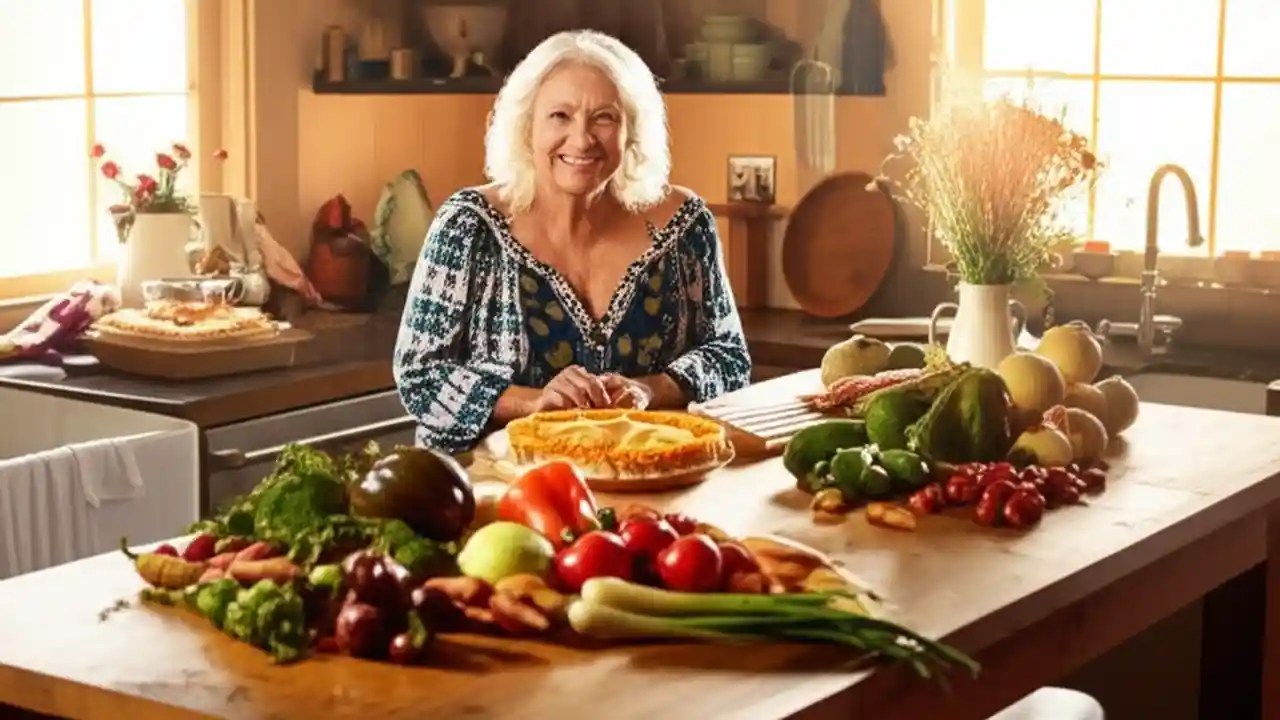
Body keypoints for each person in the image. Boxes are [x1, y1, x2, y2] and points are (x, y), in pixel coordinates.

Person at [393, 30, 752, 453]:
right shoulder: (468, 226)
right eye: (560, 116)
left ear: (632, 130)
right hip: (490, 493)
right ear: (526, 126)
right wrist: (535, 402)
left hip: (648, 484)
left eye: (604, 117)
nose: (581, 140)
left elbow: (729, 358)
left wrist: (650, 391)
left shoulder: (684, 225)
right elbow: (421, 377)